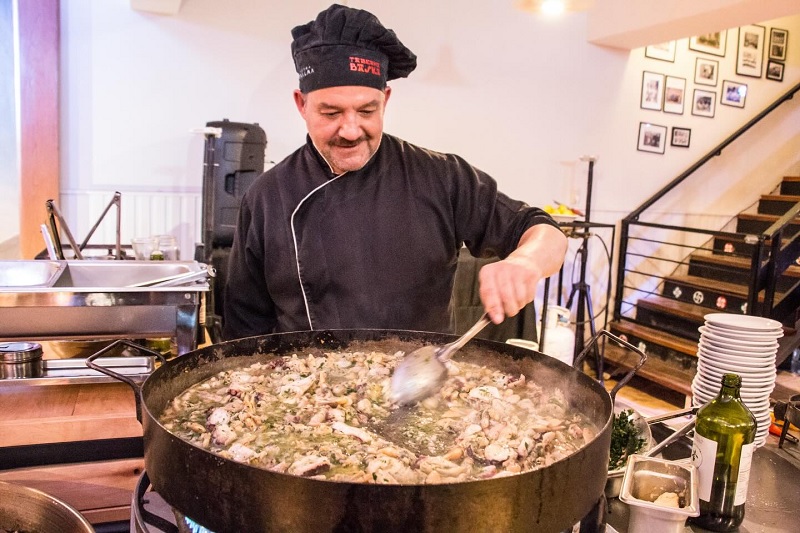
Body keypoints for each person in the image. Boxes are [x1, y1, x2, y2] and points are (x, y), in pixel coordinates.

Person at [222, 4, 567, 340]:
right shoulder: (268, 196)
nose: (351, 130)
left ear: (385, 99)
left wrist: (526, 262)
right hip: (303, 388)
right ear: (301, 104)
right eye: (331, 113)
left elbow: (543, 230)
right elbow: (243, 329)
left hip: (421, 385)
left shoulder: (442, 176)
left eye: (367, 110)